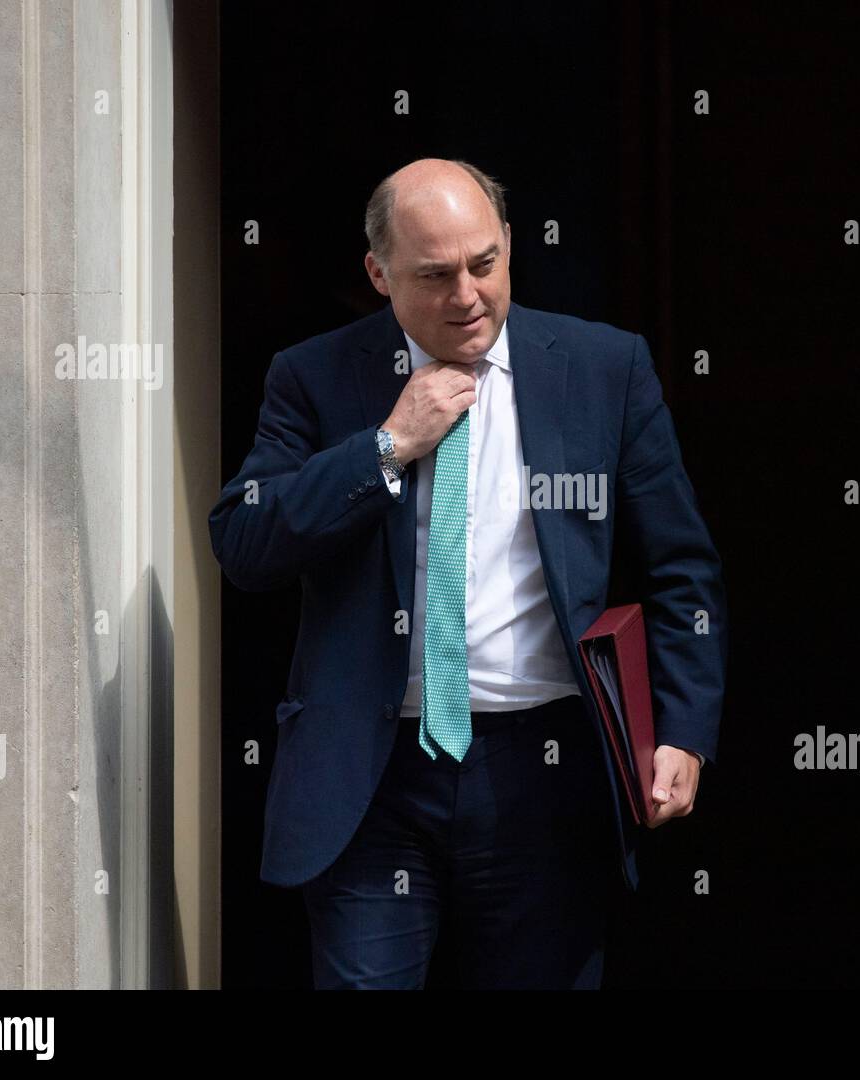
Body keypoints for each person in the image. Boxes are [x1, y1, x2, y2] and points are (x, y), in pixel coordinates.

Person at [208, 157, 727, 989]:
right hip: (372, 783)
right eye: (435, 275)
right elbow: (244, 542)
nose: (467, 296)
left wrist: (683, 731)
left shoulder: (602, 369)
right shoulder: (314, 376)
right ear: (379, 275)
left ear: (511, 244)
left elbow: (681, 567)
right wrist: (384, 447)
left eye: (485, 264)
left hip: (545, 772)